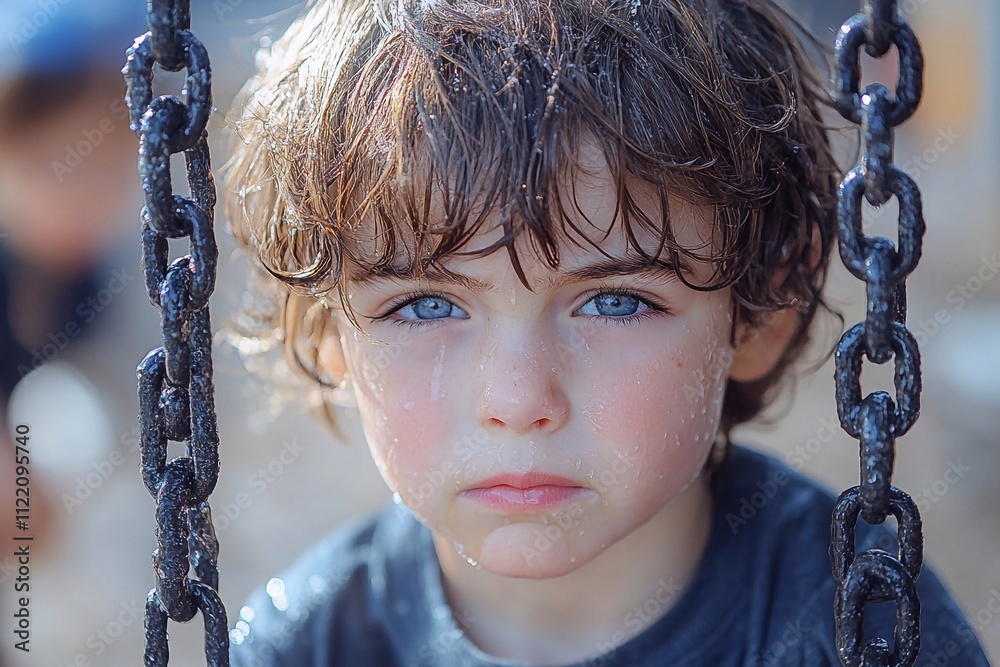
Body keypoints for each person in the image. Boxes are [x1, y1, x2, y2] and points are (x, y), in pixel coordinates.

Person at [222, 0, 991, 664]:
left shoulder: (861, 619)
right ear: (327, 333)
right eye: (426, 306)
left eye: (614, 302)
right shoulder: (309, 644)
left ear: (761, 310)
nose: (519, 399)